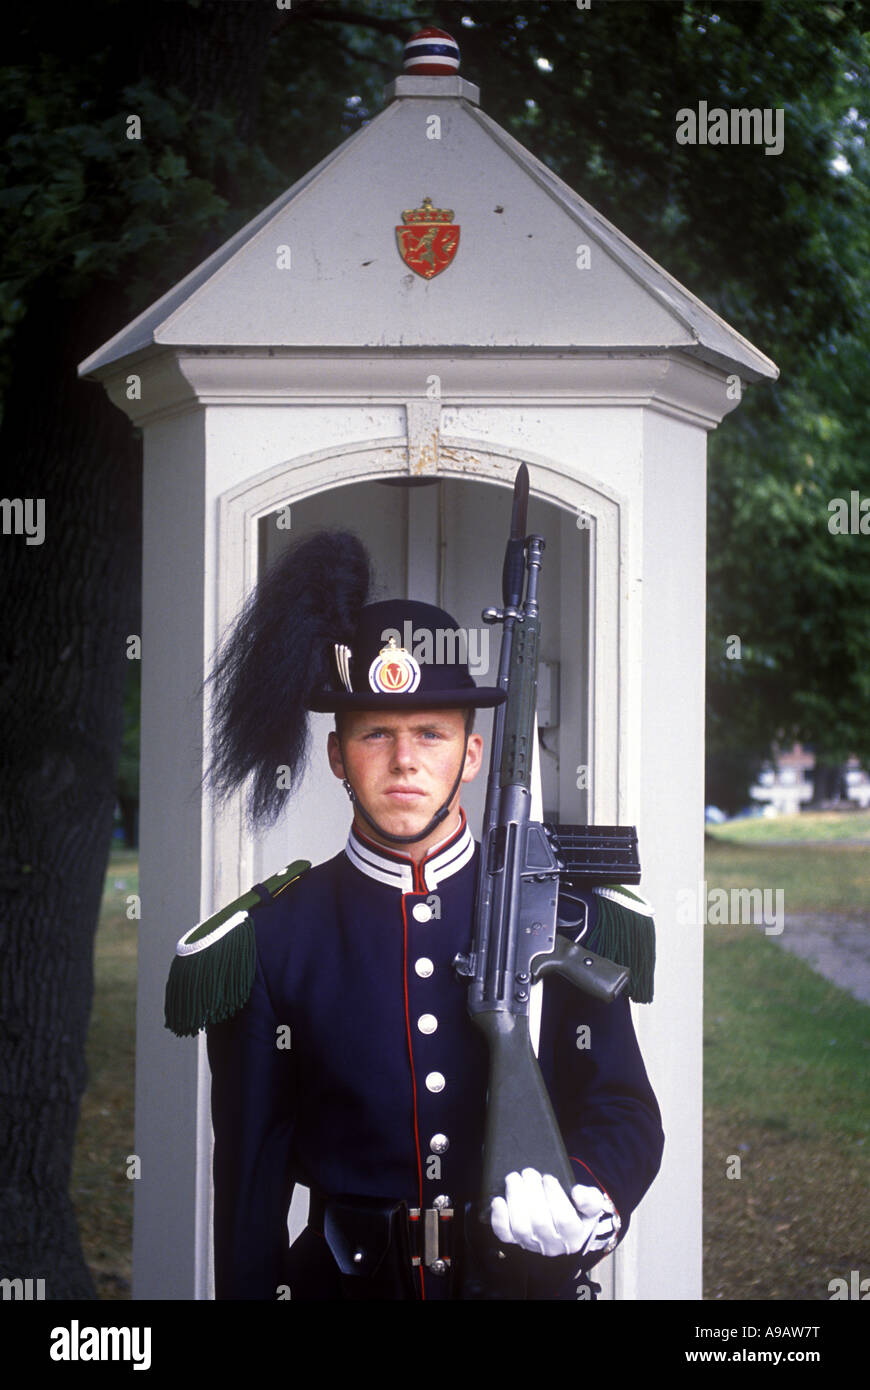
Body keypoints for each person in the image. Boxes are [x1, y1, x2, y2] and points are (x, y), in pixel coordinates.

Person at [165, 529, 664, 1300]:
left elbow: (621, 1105)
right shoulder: (272, 942)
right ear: (338, 757)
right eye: (377, 735)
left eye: (431, 733)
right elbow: (249, 1194)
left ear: (470, 755)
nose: (405, 761)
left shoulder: (557, 910)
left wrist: (594, 1199)